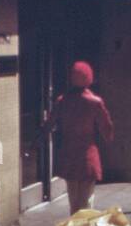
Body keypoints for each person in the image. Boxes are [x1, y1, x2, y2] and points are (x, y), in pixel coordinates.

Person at [43, 61, 114, 215]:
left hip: (69, 154)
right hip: (88, 155)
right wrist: (108, 140)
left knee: (73, 201)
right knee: (87, 201)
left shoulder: (62, 101)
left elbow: (49, 124)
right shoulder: (95, 102)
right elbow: (107, 128)